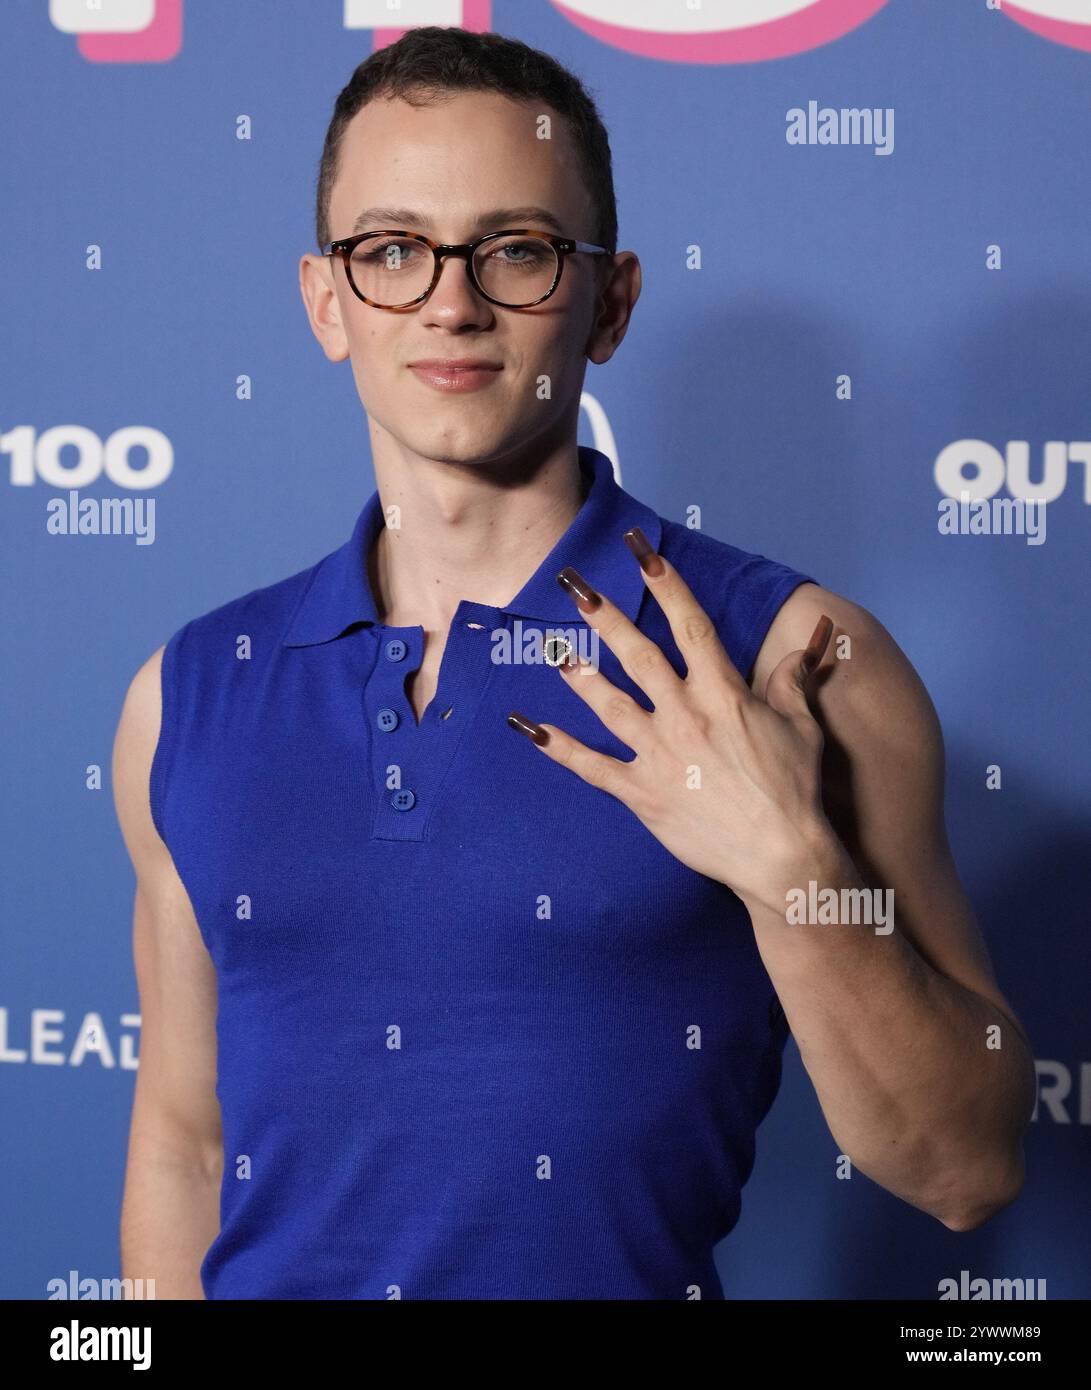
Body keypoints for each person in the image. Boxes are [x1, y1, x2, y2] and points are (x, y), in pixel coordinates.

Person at [111, 26, 1035, 1301]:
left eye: (516, 250)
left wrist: (793, 871)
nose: (450, 300)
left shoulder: (796, 661)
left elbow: (964, 1164)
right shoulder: (190, 693)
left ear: (609, 301)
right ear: (326, 302)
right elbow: (185, 1136)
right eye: (391, 251)